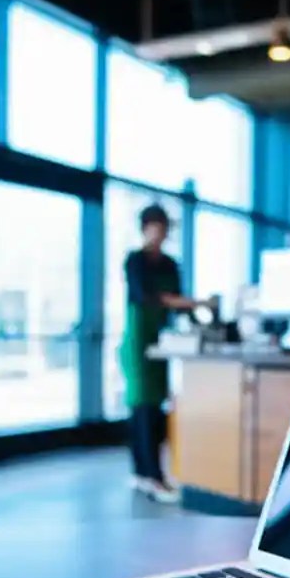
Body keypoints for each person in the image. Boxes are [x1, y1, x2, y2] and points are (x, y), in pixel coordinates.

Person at [120, 204, 197, 503]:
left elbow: (176, 299)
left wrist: (189, 309)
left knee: (155, 407)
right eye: (154, 225)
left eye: (164, 226)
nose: (160, 232)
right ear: (145, 228)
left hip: (161, 338)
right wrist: (187, 303)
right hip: (138, 338)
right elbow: (147, 296)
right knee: (142, 407)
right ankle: (148, 475)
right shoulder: (135, 260)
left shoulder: (170, 264)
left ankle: (147, 473)